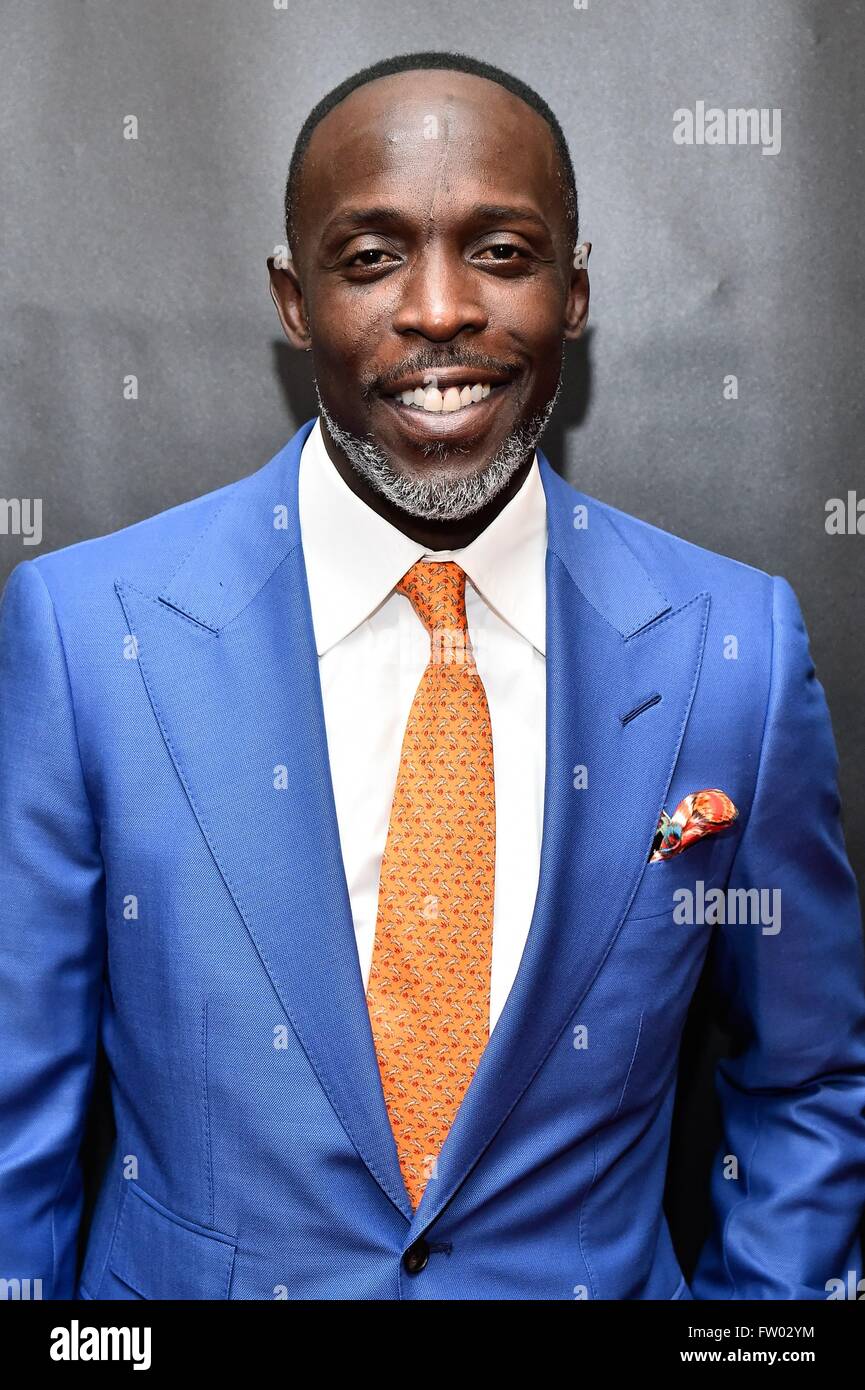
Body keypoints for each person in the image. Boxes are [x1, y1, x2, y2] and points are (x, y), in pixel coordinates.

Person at [1, 50, 864, 1302]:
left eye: (502, 253)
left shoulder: (731, 649)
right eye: (371, 258)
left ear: (573, 294)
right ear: (294, 302)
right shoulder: (88, 638)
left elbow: (811, 1081)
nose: (440, 308)